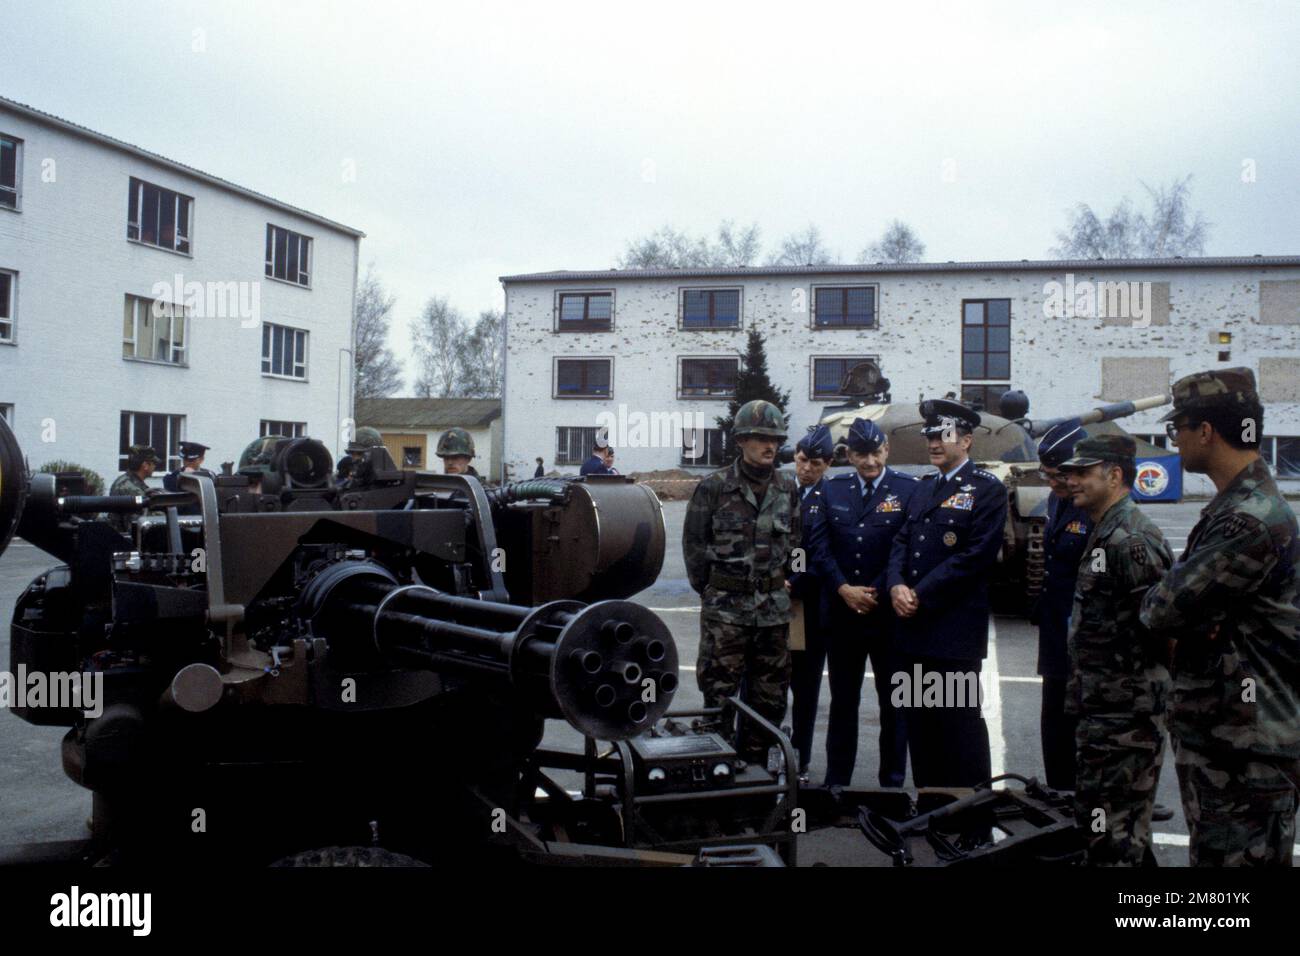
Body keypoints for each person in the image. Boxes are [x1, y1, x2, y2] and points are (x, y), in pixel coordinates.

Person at [1140, 367, 1300, 867]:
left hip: (1245, 744)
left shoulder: (1247, 519)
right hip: (1231, 733)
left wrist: (1183, 612)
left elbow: (1160, 609)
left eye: (1177, 429)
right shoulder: (1239, 505)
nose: (1175, 441)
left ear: (1204, 431)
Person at [1058, 435, 1173, 866]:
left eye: (1083, 472)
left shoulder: (1130, 540)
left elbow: (1167, 627)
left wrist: (1139, 696)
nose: (1072, 480)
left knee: (1114, 833)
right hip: (1104, 711)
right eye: (1070, 472)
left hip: (1126, 717)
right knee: (1106, 825)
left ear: (1115, 475)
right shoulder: (1106, 530)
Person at [887, 399, 1006, 787]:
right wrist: (895, 585)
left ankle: (972, 814)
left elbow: (975, 556)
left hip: (953, 632)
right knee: (920, 722)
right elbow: (900, 542)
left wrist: (918, 593)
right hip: (913, 631)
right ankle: (932, 805)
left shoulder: (986, 490)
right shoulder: (923, 490)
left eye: (945, 435)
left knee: (959, 723)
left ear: (967, 440)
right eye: (931, 436)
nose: (935, 443)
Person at [682, 399, 801, 763]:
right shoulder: (715, 487)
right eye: (761, 438)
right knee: (718, 699)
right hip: (726, 615)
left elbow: (798, 543)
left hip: (774, 615)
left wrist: (789, 579)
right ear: (741, 440)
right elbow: (694, 547)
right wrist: (716, 590)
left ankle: (755, 779)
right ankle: (714, 779)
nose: (770, 446)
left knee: (769, 700)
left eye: (776, 439)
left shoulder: (787, 486)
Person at [808, 418, 919, 788]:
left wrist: (873, 589)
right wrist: (843, 588)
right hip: (843, 616)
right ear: (849, 455)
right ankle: (836, 783)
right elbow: (819, 547)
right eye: (861, 454)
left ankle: (892, 784)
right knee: (843, 703)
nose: (869, 461)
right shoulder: (831, 488)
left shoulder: (906, 490)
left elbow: (904, 550)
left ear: (886, 450)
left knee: (894, 704)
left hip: (887, 615)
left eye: (875, 452)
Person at [1033, 420, 1092, 790]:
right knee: (1053, 717)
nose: (1052, 484)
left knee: (1083, 725)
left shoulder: (1096, 505)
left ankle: (1086, 798)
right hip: (1056, 630)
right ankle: (1058, 792)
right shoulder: (1058, 500)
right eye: (1048, 475)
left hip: (1086, 636)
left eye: (1059, 476)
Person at [786, 424, 834, 784]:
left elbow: (813, 552)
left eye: (814, 463)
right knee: (761, 682)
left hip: (808, 605)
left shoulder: (829, 497)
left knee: (805, 689)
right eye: (802, 460)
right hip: (773, 600)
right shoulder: (782, 491)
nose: (806, 469)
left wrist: (794, 580)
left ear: (827, 464)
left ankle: (799, 759)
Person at [107, 445, 160, 531]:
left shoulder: (129, 481)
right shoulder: (129, 487)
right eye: (154, 463)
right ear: (145, 465)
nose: (154, 467)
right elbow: (144, 520)